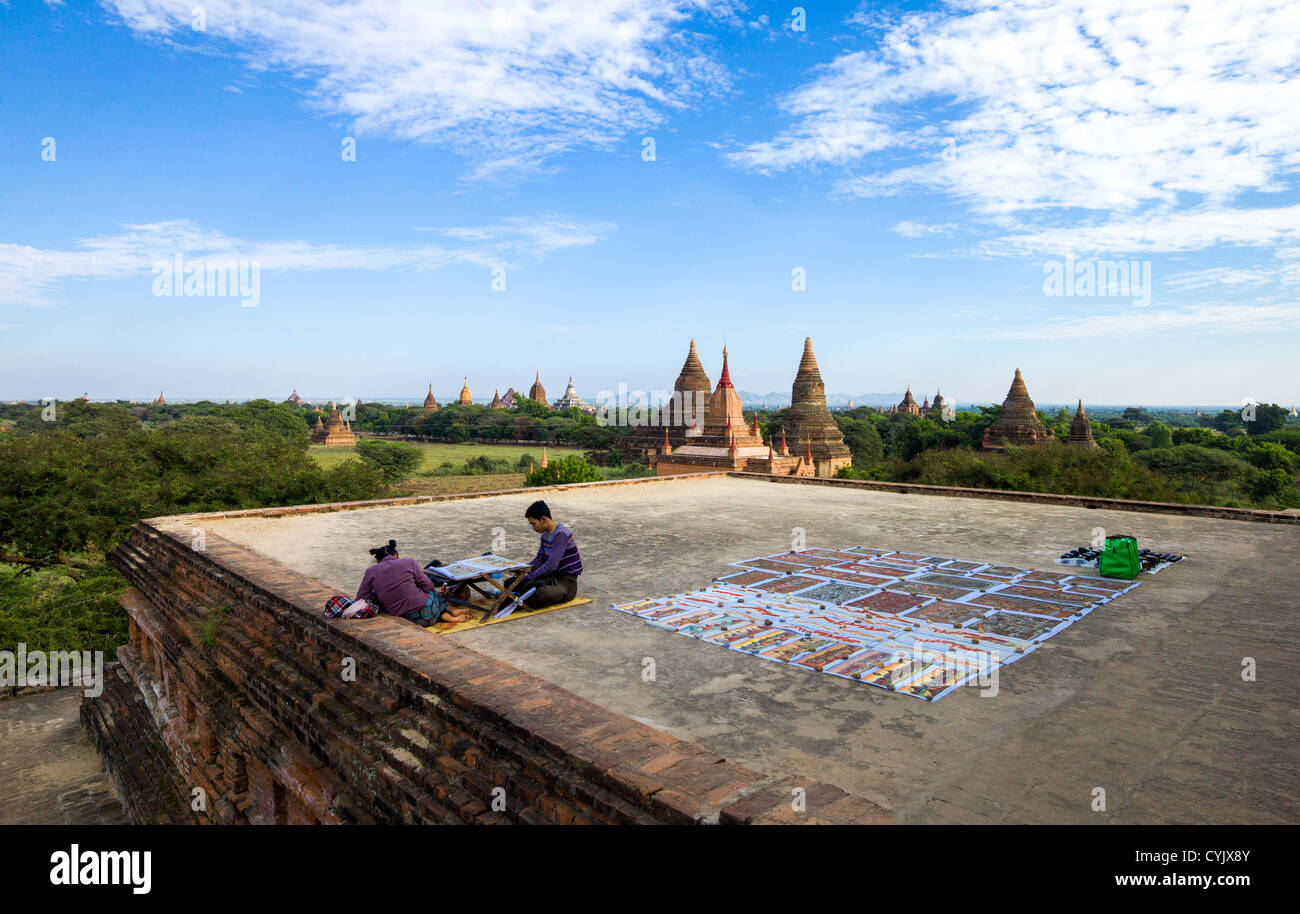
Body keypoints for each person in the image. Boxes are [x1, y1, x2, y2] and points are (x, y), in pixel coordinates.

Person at [355, 540, 471, 626]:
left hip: (405, 619)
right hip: (430, 611)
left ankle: (450, 614)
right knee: (433, 594)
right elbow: (429, 586)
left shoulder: (371, 571)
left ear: (378, 561)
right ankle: (451, 612)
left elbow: (361, 597)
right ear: (397, 555)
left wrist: (380, 596)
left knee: (424, 597)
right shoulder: (408, 562)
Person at [521, 501, 583, 609]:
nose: (533, 528)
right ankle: (519, 596)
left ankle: (518, 599)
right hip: (551, 577)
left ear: (544, 519)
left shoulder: (561, 534)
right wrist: (524, 569)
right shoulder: (545, 535)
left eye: (533, 524)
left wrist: (529, 577)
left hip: (565, 583)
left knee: (540, 593)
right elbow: (540, 559)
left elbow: (551, 565)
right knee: (514, 583)